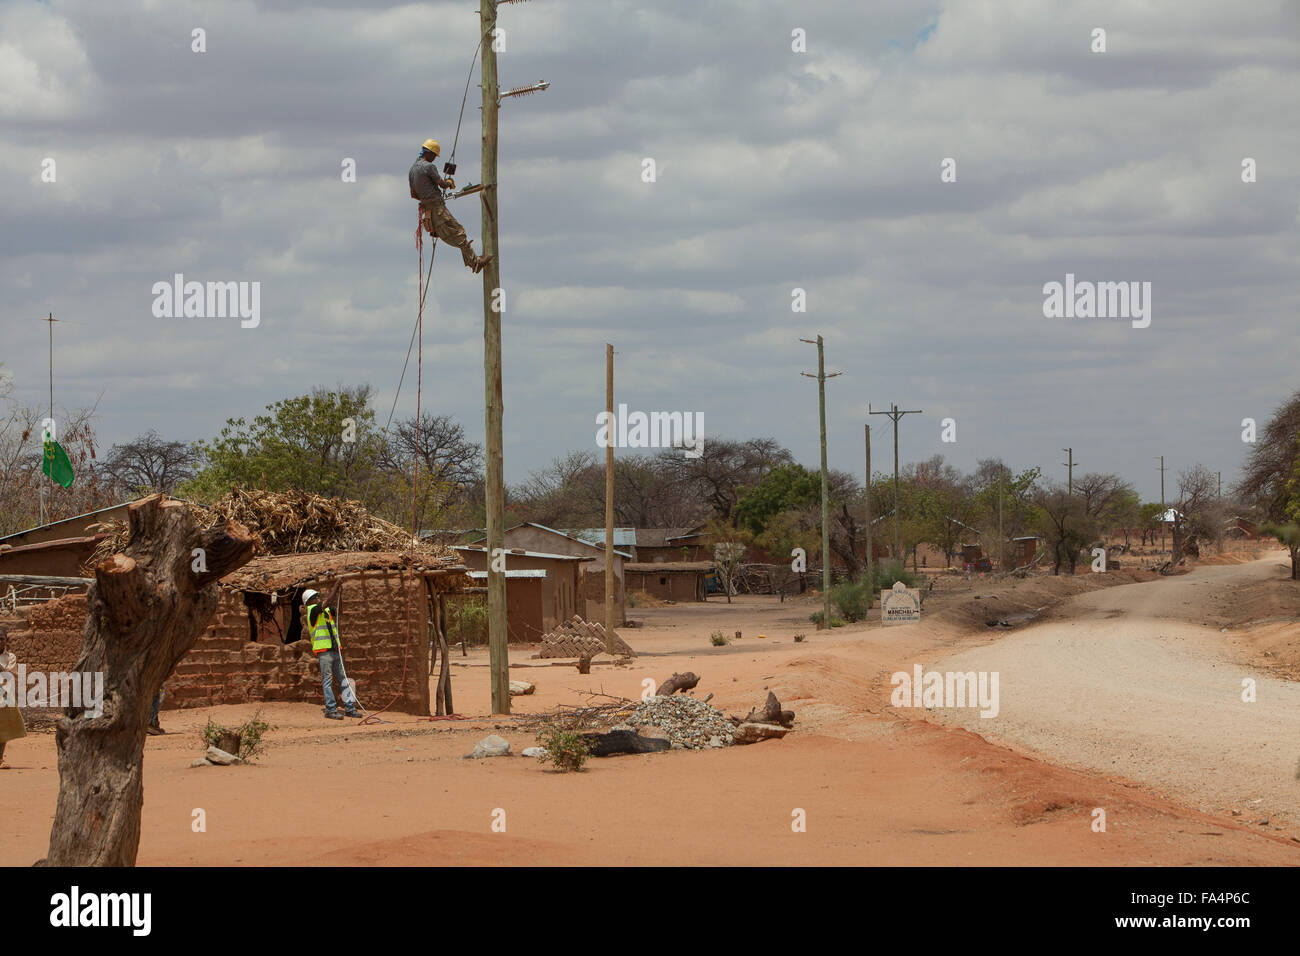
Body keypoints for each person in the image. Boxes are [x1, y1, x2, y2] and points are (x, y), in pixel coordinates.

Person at [409, 137, 492, 274]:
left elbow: (414, 194)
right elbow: (442, 184)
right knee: (459, 233)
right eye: (434, 156)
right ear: (429, 153)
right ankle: (475, 263)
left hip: (428, 210)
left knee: (455, 233)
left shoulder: (412, 169)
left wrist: (427, 196)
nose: (434, 158)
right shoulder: (429, 167)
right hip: (437, 209)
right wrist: (448, 183)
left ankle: (474, 261)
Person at [302, 583, 359, 720]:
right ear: (310, 601)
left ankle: (350, 708)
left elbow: (340, 611)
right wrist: (335, 587)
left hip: (334, 650)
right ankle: (330, 709)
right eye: (315, 597)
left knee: (344, 680)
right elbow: (327, 601)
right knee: (327, 681)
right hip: (324, 651)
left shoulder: (326, 611)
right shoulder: (313, 610)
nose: (318, 598)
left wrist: (340, 594)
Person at [0, 627, 26, 769]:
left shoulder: (10, 657)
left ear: (6, 640)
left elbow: (10, 675)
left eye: (1, 639)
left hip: (3, 696)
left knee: (3, 729)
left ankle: (0, 759)